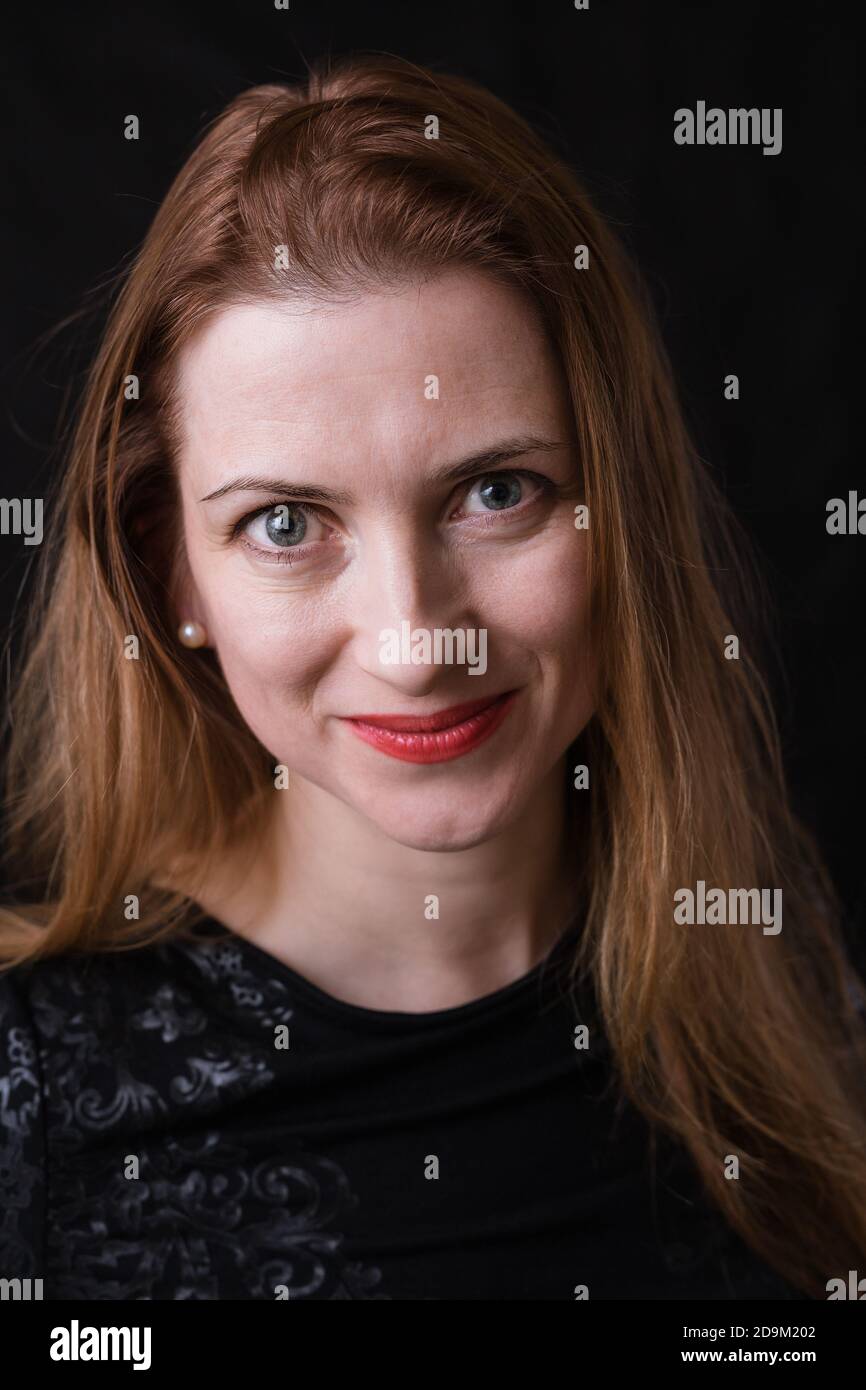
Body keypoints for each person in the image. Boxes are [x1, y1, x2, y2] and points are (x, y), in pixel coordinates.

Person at [1, 54, 864, 1301]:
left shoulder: (781, 974)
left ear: (614, 508)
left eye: (494, 493)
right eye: (287, 525)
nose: (415, 642)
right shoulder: (31, 1092)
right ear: (171, 575)